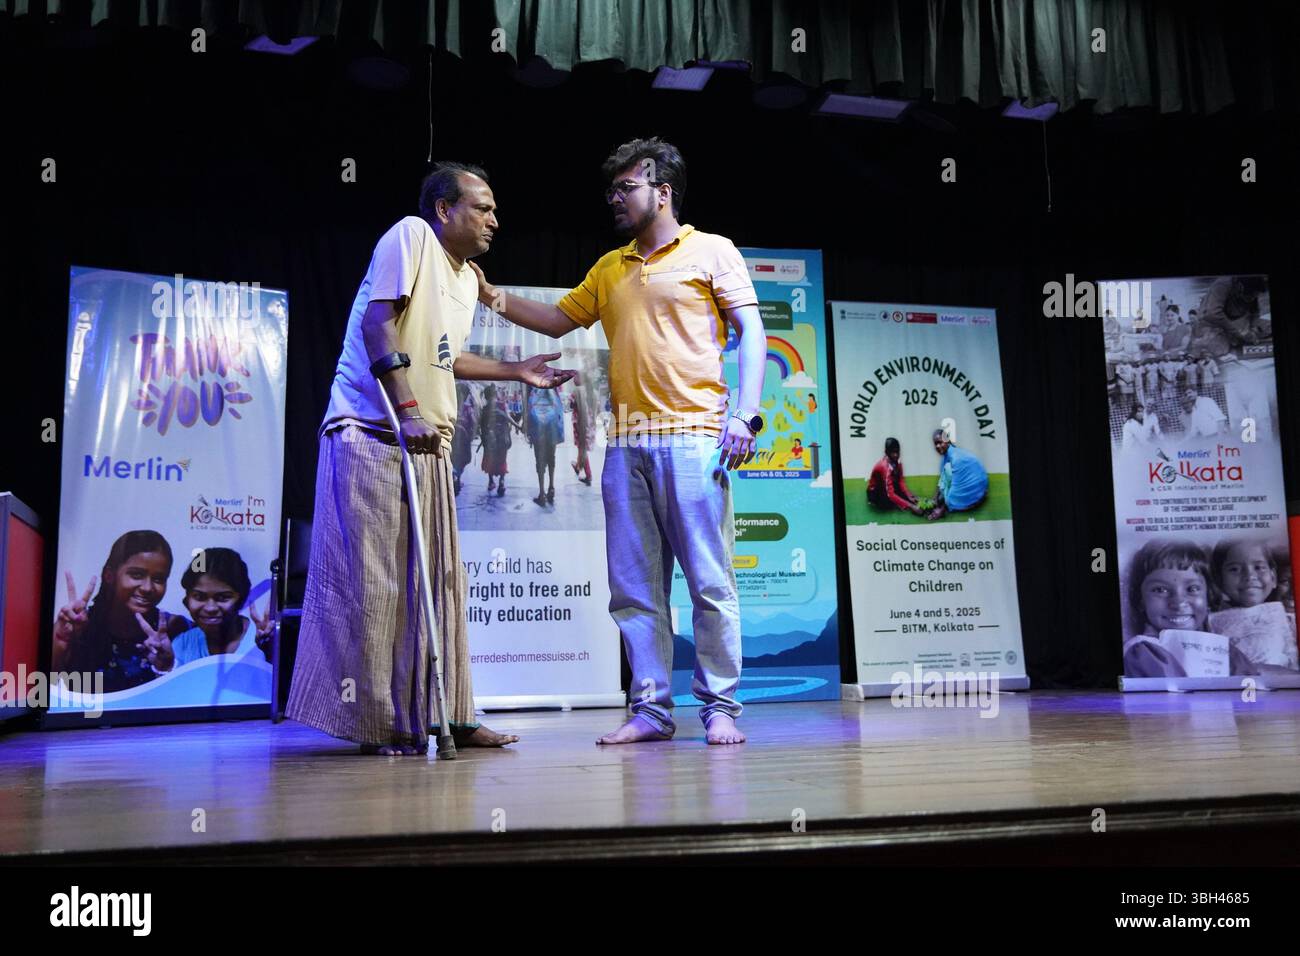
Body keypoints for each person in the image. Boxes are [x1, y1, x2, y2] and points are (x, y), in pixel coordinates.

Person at [471, 137, 765, 745]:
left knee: (710, 582)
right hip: (625, 444)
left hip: (694, 438)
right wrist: (493, 297)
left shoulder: (712, 251)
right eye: (612, 190)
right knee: (633, 590)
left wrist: (747, 414)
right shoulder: (609, 267)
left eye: (626, 187)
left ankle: (719, 709)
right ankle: (653, 710)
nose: (616, 197)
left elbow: (751, 330)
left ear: (663, 192)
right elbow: (558, 319)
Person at [286, 162, 574, 757]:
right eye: (483, 207)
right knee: (374, 585)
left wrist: (516, 370)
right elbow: (377, 323)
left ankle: (451, 716)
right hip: (372, 429)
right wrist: (409, 404)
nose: (495, 219)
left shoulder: (467, 277)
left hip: (427, 441)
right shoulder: (411, 236)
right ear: (445, 210)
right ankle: (379, 723)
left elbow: (449, 358)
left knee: (440, 585)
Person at [54, 530, 181, 691]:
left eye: (158, 579)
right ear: (109, 576)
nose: (148, 587)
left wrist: (167, 667)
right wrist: (60, 642)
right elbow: (39, 692)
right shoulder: (79, 626)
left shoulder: (177, 629)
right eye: (136, 575)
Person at [1122, 540, 1253, 678]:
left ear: (1208, 596)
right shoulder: (1142, 651)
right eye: (1160, 590)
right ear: (1140, 599)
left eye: (1193, 589)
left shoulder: (1225, 649)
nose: (1178, 603)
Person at [169, 548, 274, 667]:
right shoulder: (183, 644)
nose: (210, 608)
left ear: (241, 598)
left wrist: (271, 654)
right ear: (187, 599)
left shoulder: (263, 640)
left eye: (223, 597)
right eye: (199, 596)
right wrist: (162, 666)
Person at [926, 429, 989, 520]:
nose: (938, 446)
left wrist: (942, 510)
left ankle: (962, 504)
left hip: (977, 494)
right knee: (940, 497)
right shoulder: (947, 457)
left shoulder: (956, 458)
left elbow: (957, 488)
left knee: (947, 500)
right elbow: (943, 478)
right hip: (975, 489)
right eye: (935, 444)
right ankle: (944, 501)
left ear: (947, 441)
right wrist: (934, 499)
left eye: (940, 442)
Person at [525, 382, 565, 505]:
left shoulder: (532, 386)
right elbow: (559, 408)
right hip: (552, 427)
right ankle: (551, 487)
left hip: (538, 429)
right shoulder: (553, 385)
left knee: (540, 460)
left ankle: (542, 493)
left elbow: (529, 407)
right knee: (551, 458)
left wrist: (528, 429)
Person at [866, 437, 923, 515]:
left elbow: (901, 480)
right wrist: (910, 506)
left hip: (885, 486)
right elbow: (891, 494)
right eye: (893, 452)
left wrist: (909, 495)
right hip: (875, 492)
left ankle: (906, 500)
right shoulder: (884, 467)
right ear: (886, 452)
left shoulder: (897, 461)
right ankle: (875, 502)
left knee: (906, 497)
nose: (896, 455)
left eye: (897, 452)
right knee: (890, 504)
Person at [478, 383, 514, 496]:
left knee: (489, 459)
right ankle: (501, 482)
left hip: (489, 440)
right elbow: (508, 420)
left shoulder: (484, 409)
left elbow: (481, 426)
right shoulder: (502, 405)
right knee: (502, 460)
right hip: (502, 438)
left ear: (486, 397)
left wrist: (483, 437)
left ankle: (491, 482)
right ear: (495, 395)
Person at [450, 383, 478, 496]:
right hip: (464, 438)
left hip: (451, 437)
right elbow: (474, 422)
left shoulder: (450, 406)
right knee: (463, 460)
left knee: (452, 459)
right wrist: (472, 435)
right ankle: (457, 476)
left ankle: (454, 475)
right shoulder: (468, 408)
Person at [571, 384, 593, 486]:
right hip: (583, 426)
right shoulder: (585, 398)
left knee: (582, 450)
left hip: (581, 427)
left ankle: (588, 476)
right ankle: (578, 467)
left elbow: (571, 404)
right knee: (581, 449)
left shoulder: (579, 409)